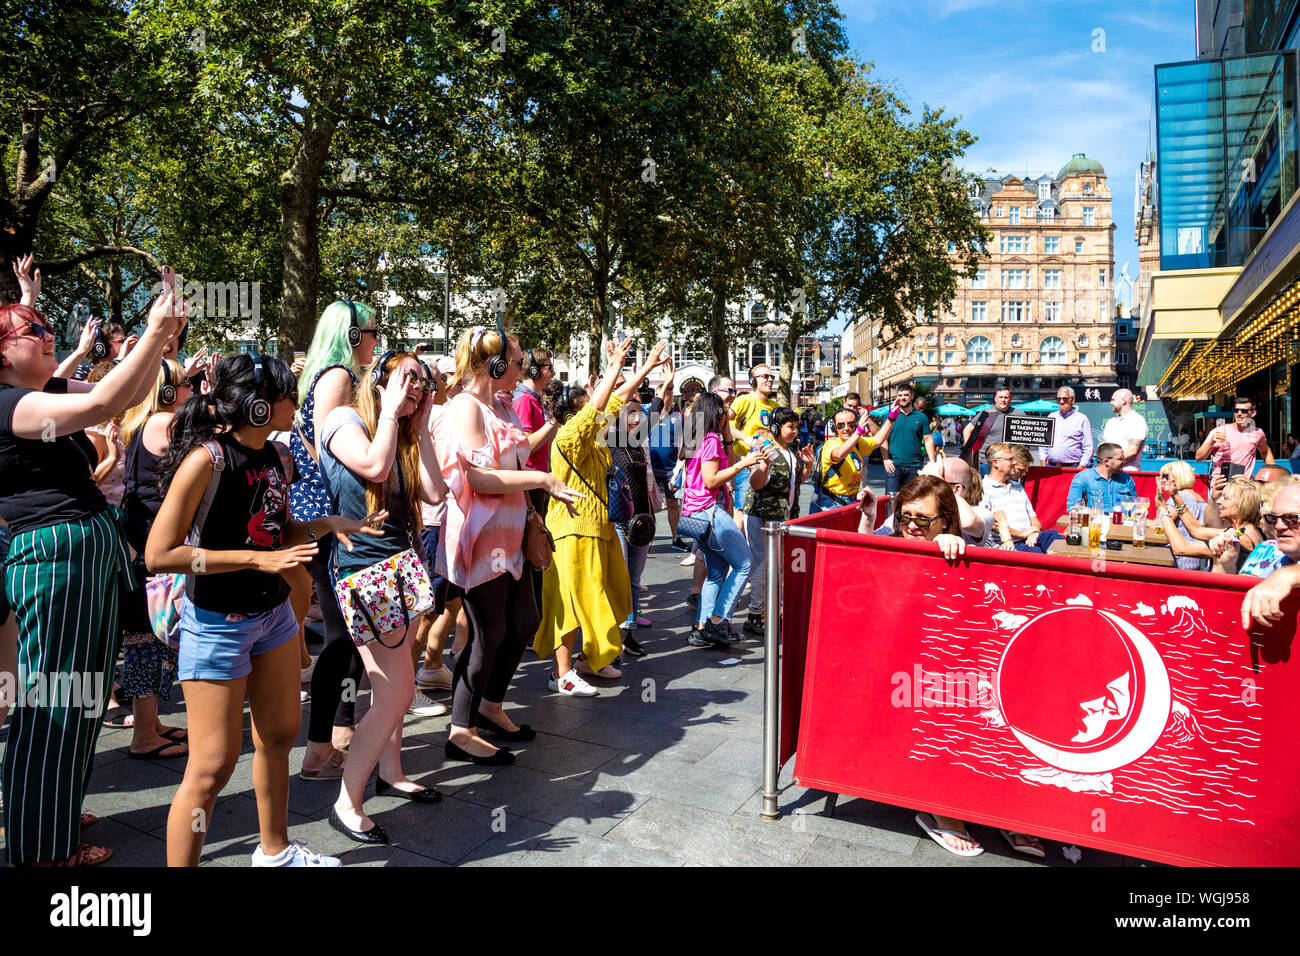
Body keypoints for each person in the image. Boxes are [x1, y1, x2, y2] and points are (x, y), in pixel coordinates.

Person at [148, 352, 377, 867]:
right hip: (216, 627)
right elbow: (160, 553)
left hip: (272, 618)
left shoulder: (276, 457)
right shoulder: (206, 460)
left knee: (277, 739)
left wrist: (333, 524)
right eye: (288, 394)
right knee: (211, 768)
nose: (297, 403)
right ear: (256, 406)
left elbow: (279, 530)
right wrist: (260, 558)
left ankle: (275, 852)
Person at [0, 281, 185, 867]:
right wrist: (153, 334)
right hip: (56, 559)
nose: (50, 334)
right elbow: (105, 404)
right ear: (1, 351)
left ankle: (47, 807)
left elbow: (126, 393)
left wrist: (161, 341)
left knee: (79, 699)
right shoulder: (9, 403)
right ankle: (42, 848)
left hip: (83, 553)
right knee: (56, 701)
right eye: (34, 329)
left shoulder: (43, 389)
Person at [319, 350, 448, 844]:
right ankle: (347, 802)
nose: (416, 386)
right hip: (365, 570)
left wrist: (424, 426)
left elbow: (435, 495)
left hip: (399, 567)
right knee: (399, 693)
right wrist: (395, 417)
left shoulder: (404, 430)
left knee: (389, 688)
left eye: (424, 381)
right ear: (380, 378)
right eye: (407, 376)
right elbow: (373, 467)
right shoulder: (344, 419)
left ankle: (390, 773)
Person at [440, 327, 582, 761]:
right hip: (482, 538)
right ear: (495, 364)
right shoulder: (465, 407)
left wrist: (555, 426)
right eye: (517, 361)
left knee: (523, 622)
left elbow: (518, 455)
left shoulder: (502, 405)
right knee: (488, 633)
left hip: (515, 531)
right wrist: (542, 479)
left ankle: (490, 706)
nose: (523, 369)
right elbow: (477, 477)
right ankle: (460, 731)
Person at [537, 340, 666, 691]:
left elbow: (614, 399)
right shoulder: (569, 438)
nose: (602, 414)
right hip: (573, 530)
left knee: (613, 596)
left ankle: (589, 660)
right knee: (572, 603)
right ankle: (562, 675)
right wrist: (612, 368)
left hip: (601, 527)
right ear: (577, 415)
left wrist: (645, 368)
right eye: (589, 410)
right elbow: (599, 406)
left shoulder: (592, 438)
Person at [290, 300, 378, 780]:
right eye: (372, 330)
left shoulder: (327, 374)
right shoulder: (338, 375)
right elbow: (330, 449)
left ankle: (334, 735)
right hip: (332, 518)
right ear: (352, 334)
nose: (377, 339)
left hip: (328, 517)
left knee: (346, 634)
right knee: (343, 635)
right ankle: (321, 743)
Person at [115, 358, 195, 759]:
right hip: (151, 544)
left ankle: (151, 723)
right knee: (147, 638)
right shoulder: (164, 423)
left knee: (147, 638)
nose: (191, 391)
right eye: (184, 385)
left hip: (140, 540)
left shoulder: (139, 424)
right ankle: (144, 736)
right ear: (164, 392)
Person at [677, 391, 763, 646]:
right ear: (716, 413)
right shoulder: (710, 439)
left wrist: (728, 436)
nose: (729, 412)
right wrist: (745, 463)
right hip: (709, 510)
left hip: (696, 512)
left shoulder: (698, 436)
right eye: (725, 408)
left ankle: (702, 625)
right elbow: (711, 479)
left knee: (715, 572)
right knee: (744, 563)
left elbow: (728, 471)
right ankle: (717, 621)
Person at [742, 406, 814, 635]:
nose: (795, 431)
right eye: (790, 427)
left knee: (778, 565)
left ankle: (773, 610)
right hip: (762, 515)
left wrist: (808, 466)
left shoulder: (790, 453)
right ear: (776, 428)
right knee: (764, 565)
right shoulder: (765, 449)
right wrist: (763, 465)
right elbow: (756, 483)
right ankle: (755, 614)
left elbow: (796, 481)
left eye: (796, 427)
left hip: (782, 517)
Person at [1160, 475, 1262, 574]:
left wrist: (1163, 511)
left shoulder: (1239, 538)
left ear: (1242, 504)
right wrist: (1175, 496)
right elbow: (1196, 530)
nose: (1219, 501)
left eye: (1225, 498)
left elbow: (1181, 549)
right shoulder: (1244, 530)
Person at [811, 401, 897, 512]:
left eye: (851, 424)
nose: (846, 428)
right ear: (834, 428)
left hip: (851, 499)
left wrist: (891, 418)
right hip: (831, 502)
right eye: (841, 425)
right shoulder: (832, 444)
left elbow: (878, 440)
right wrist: (859, 431)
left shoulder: (858, 442)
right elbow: (839, 454)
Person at [982, 443, 1061, 553]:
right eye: (1010, 459)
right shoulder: (984, 488)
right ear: (996, 463)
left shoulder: (1017, 487)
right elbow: (990, 525)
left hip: (1028, 537)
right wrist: (1022, 534)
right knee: (1038, 554)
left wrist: (1033, 532)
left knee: (1055, 538)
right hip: (1007, 543)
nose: (1013, 463)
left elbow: (1034, 519)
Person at [729, 363, 778, 527]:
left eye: (772, 376)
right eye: (765, 376)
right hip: (747, 463)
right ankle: (737, 551)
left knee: (766, 512)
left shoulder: (776, 407)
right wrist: (746, 438)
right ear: (753, 380)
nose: (770, 379)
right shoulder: (745, 400)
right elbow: (724, 424)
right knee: (742, 510)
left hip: (770, 463)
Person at [879, 383, 935, 495]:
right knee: (891, 500)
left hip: (915, 466)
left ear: (912, 396)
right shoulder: (889, 416)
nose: (902, 398)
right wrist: (885, 459)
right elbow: (883, 439)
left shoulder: (921, 417)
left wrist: (932, 461)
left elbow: (928, 439)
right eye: (900, 395)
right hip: (894, 466)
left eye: (906, 395)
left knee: (913, 500)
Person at [1154, 461, 1210, 572]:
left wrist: (1138, 519)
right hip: (1195, 560)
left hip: (1177, 559)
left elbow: (1161, 523)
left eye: (1166, 476)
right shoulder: (1198, 497)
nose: (1163, 480)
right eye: (1161, 476)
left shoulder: (1180, 496)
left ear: (1178, 477)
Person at [1195, 397, 1274, 473]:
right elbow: (1198, 457)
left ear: (1253, 413)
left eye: (1244, 411)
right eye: (1236, 410)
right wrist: (1211, 442)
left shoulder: (1257, 433)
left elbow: (1265, 452)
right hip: (1221, 484)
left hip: (1244, 484)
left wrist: (1274, 473)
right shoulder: (1218, 431)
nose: (1239, 413)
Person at [1237, 484, 1300, 578]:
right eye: (1273, 518)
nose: (1279, 526)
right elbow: (1240, 589)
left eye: (1291, 518)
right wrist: (1223, 565)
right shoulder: (1268, 551)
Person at [1065, 442, 1137, 512]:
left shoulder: (1126, 479)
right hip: (1097, 522)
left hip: (1122, 523)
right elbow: (1072, 508)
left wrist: (1138, 512)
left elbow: (1134, 506)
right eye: (1121, 458)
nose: (1123, 461)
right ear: (1106, 461)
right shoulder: (1083, 478)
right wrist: (1099, 514)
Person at [961, 386, 1014, 465]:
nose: (1003, 400)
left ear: (1011, 398)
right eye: (1000, 397)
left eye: (1006, 397)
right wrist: (969, 451)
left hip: (1010, 462)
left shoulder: (1019, 414)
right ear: (995, 398)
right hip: (987, 461)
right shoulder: (987, 414)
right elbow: (967, 430)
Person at [1043, 386, 1094, 467]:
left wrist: (1080, 467)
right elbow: (1044, 443)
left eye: (1065, 399)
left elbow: (1088, 447)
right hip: (1051, 466)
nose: (1061, 402)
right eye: (1059, 399)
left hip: (1072, 467)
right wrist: (1043, 465)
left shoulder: (1082, 419)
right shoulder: (1051, 417)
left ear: (1072, 400)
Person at [1101, 388, 1147, 471]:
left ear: (1123, 400)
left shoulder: (1137, 420)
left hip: (1127, 474)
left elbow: (1132, 450)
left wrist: (1112, 464)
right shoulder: (1111, 422)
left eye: (1113, 400)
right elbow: (1103, 446)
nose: (1110, 402)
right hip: (1108, 473)